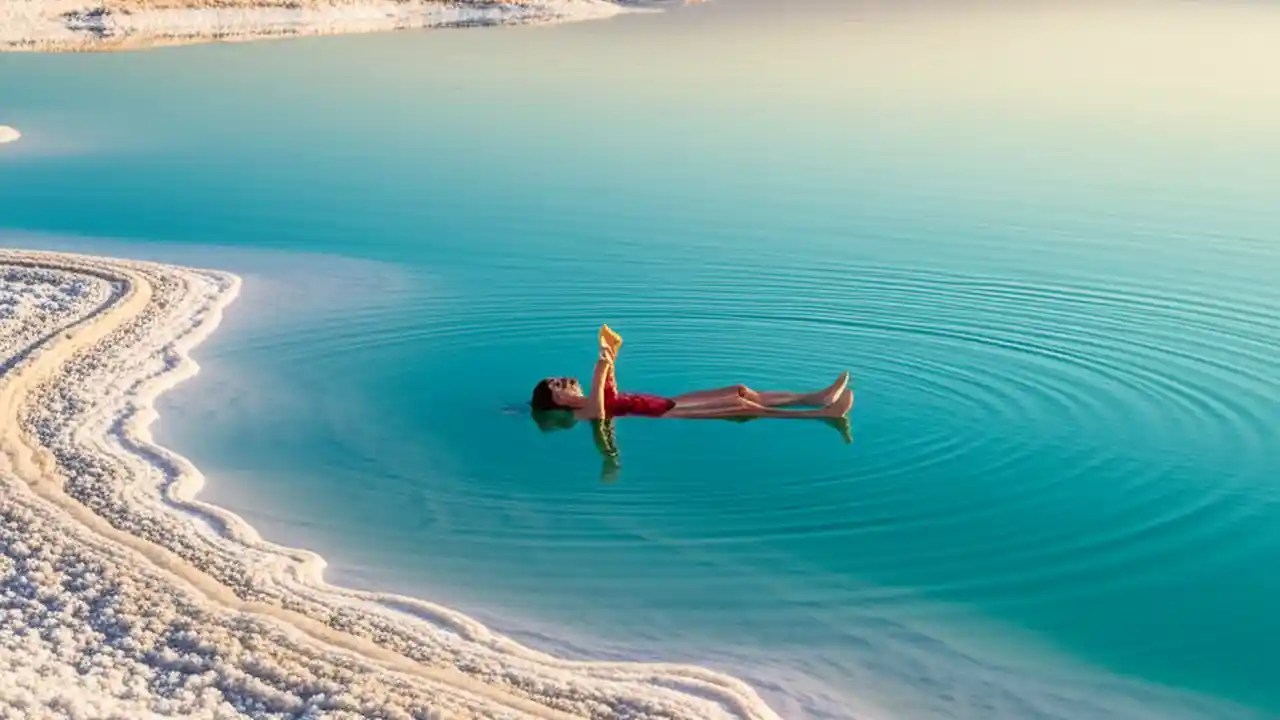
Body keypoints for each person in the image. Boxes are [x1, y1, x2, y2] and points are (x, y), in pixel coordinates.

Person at [530, 340, 853, 421]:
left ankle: (815, 397)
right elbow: (600, 412)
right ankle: (821, 414)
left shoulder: (591, 398)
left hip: (668, 400)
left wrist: (610, 358)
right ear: (558, 399)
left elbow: (608, 390)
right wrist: (601, 369)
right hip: (665, 413)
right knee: (740, 407)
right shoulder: (580, 412)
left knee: (739, 390)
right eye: (558, 384)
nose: (565, 380)